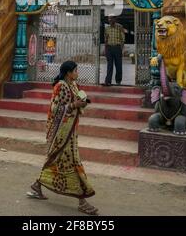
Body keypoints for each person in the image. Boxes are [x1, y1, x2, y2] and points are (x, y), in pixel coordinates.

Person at [27, 60, 98, 215]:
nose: (77, 73)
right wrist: (74, 106)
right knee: (71, 162)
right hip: (61, 133)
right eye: (76, 70)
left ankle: (37, 185)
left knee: (57, 161)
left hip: (70, 132)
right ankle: (82, 200)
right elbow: (55, 109)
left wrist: (82, 103)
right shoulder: (61, 86)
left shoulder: (73, 85)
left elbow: (77, 102)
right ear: (68, 72)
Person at [104, 16, 125, 86]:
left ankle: (118, 81)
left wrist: (121, 48)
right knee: (109, 65)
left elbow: (123, 38)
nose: (110, 20)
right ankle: (108, 81)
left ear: (115, 19)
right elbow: (106, 39)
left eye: (111, 18)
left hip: (117, 48)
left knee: (118, 65)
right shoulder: (107, 28)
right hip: (109, 48)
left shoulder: (120, 27)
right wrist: (106, 49)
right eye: (109, 18)